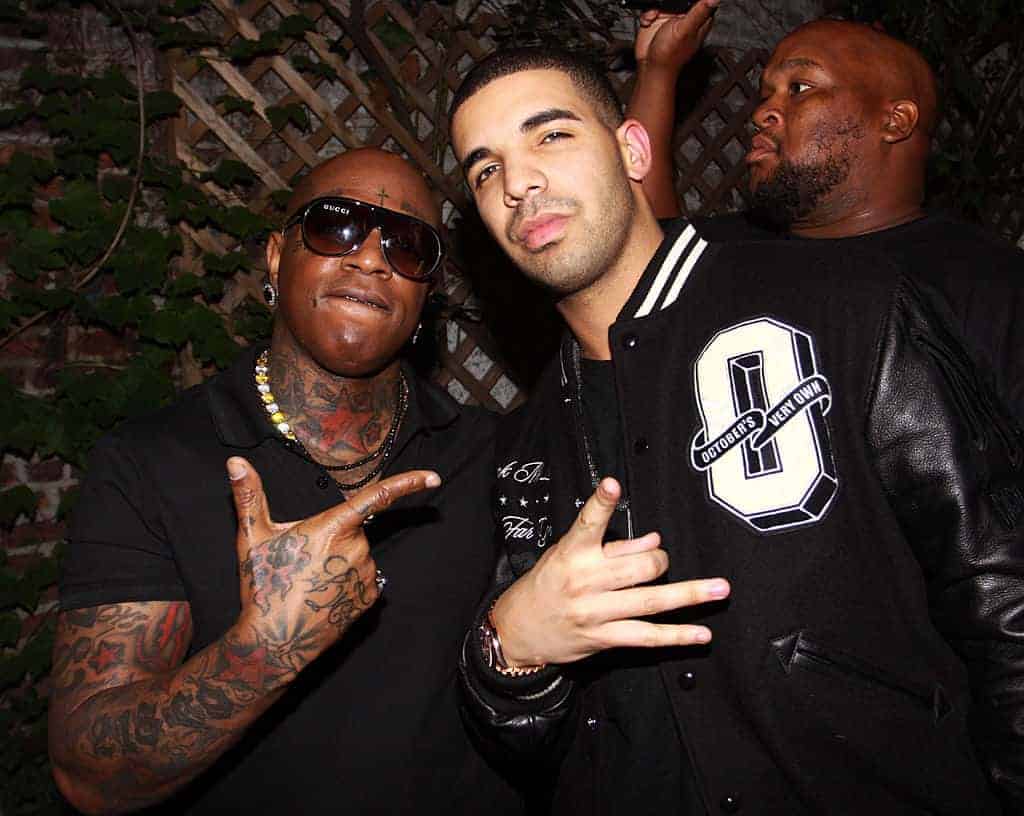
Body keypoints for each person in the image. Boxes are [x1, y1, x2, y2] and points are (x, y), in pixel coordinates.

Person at [449, 42, 1024, 815]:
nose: (518, 183)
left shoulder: (844, 304)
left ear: (632, 149)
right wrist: (507, 655)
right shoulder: (525, 443)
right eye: (485, 170)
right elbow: (533, 745)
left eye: (550, 134)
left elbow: (999, 589)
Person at [49, 148, 521, 815]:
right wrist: (266, 649)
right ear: (276, 257)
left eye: (409, 245)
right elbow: (88, 775)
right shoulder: (150, 463)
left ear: (427, 295)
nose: (371, 258)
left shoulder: (492, 454)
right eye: (336, 226)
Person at [629, 11, 1024, 417]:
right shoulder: (729, 252)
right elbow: (638, 240)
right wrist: (657, 70)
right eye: (766, 95)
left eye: (799, 88)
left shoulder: (990, 286)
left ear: (895, 121)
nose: (761, 114)